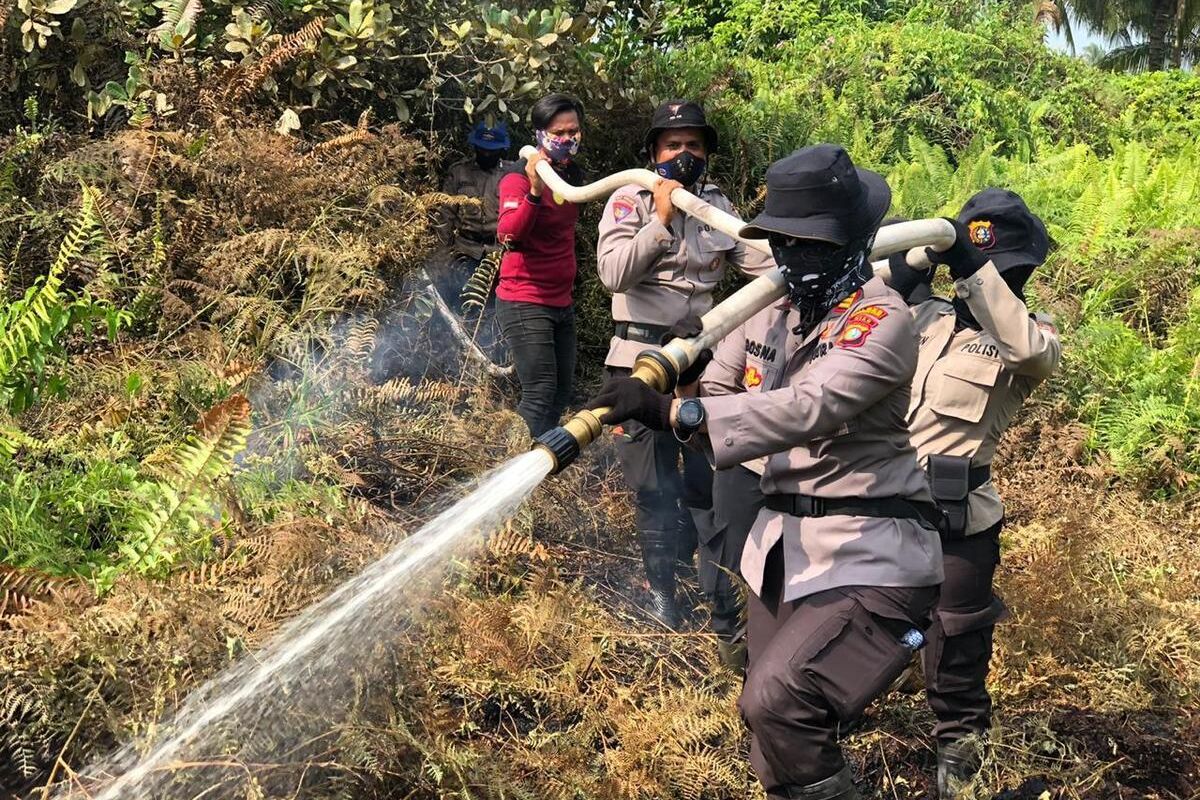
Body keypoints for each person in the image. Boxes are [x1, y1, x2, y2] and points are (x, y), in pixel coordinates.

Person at [586, 144, 945, 800]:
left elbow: (806, 407)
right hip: (782, 553)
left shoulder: (880, 320)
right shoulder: (765, 310)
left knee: (777, 702)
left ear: (853, 242)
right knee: (772, 740)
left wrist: (673, 412)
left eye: (811, 243)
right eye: (783, 241)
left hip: (870, 554)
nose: (793, 257)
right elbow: (721, 396)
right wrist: (681, 384)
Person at [888, 189, 1060, 799]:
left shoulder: (1031, 336)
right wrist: (909, 266)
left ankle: (960, 744)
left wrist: (971, 267)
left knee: (957, 634)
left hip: (958, 512)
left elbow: (1029, 352)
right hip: (883, 500)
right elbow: (862, 317)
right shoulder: (925, 315)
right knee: (863, 616)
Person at [595, 99, 773, 632]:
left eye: (693, 145)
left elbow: (759, 261)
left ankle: (719, 595)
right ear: (653, 152)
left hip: (705, 365)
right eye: (673, 145)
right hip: (639, 363)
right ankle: (660, 592)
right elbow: (613, 275)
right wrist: (663, 220)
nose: (684, 154)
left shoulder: (716, 205)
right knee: (652, 486)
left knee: (706, 482)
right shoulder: (630, 200)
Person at [494, 94, 584, 437]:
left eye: (573, 131)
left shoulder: (571, 175)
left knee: (561, 391)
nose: (566, 139)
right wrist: (534, 191)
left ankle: (539, 461)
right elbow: (508, 233)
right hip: (525, 300)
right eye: (557, 132)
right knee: (540, 392)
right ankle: (510, 472)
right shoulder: (517, 178)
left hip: (561, 302)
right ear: (540, 134)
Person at [435, 121, 513, 307]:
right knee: (461, 306)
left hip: (499, 255)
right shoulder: (459, 172)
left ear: (501, 149)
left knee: (495, 310)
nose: (486, 153)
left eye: (491, 150)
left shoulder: (512, 174)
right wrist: (442, 258)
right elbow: (444, 217)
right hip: (465, 252)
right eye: (482, 148)